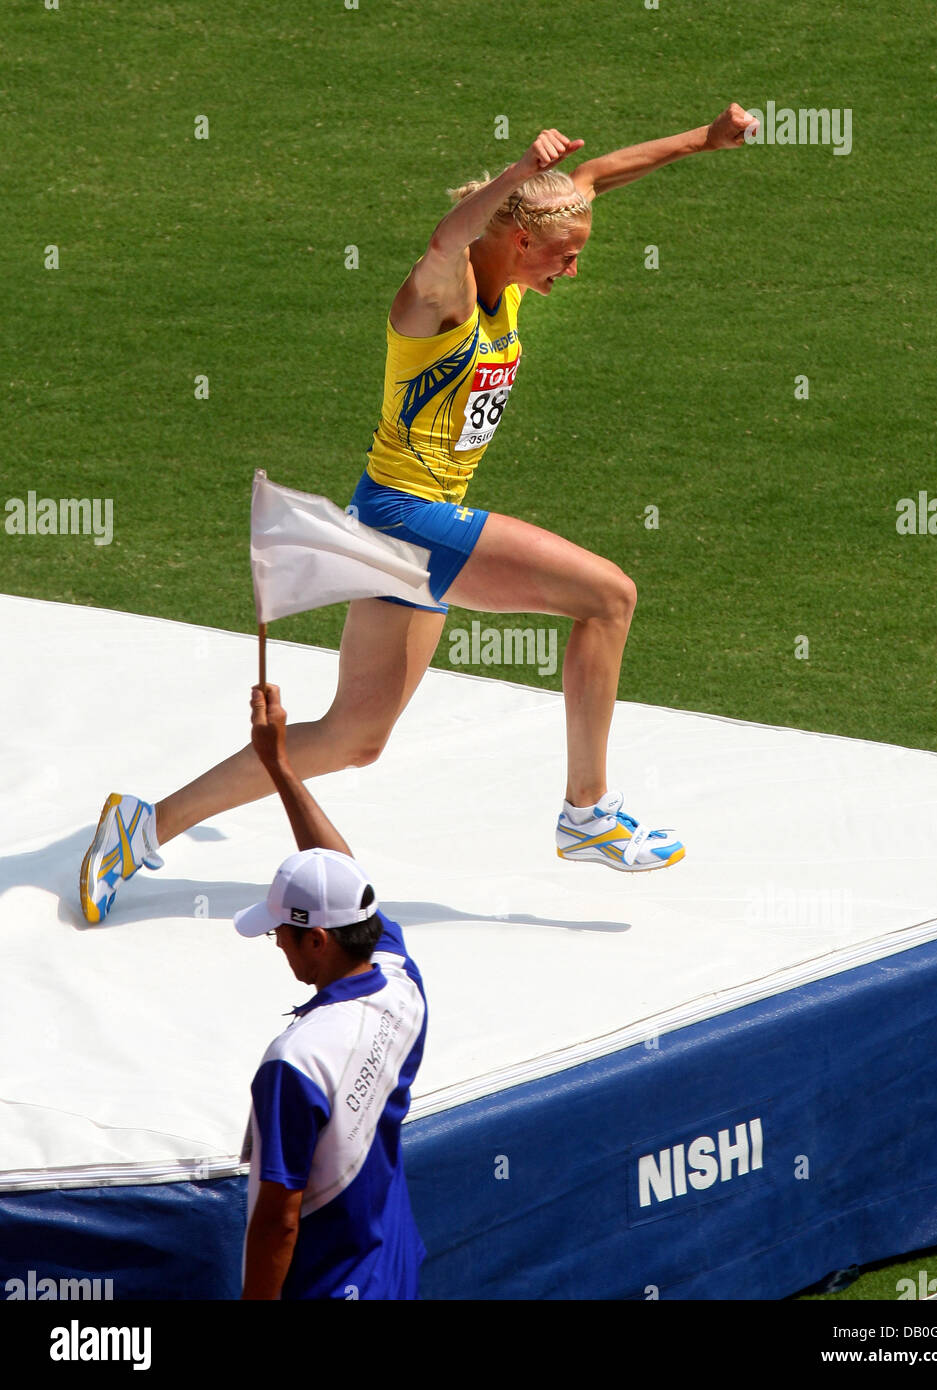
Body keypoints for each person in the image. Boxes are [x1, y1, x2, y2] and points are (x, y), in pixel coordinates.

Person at [79, 104, 757, 923]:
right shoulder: (441, 296)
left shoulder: (518, 257)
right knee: (609, 596)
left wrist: (701, 141)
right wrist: (513, 172)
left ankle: (142, 824)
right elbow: (447, 237)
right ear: (516, 238)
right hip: (407, 517)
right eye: (564, 257)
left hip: (397, 529)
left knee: (352, 739)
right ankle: (587, 812)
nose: (571, 271)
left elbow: (592, 178)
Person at [236, 683, 427, 1300]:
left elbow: (280, 1219)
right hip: (392, 1265)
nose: (276, 944)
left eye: (283, 935)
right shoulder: (403, 985)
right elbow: (345, 877)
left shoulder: (295, 1062)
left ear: (317, 940)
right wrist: (278, 765)